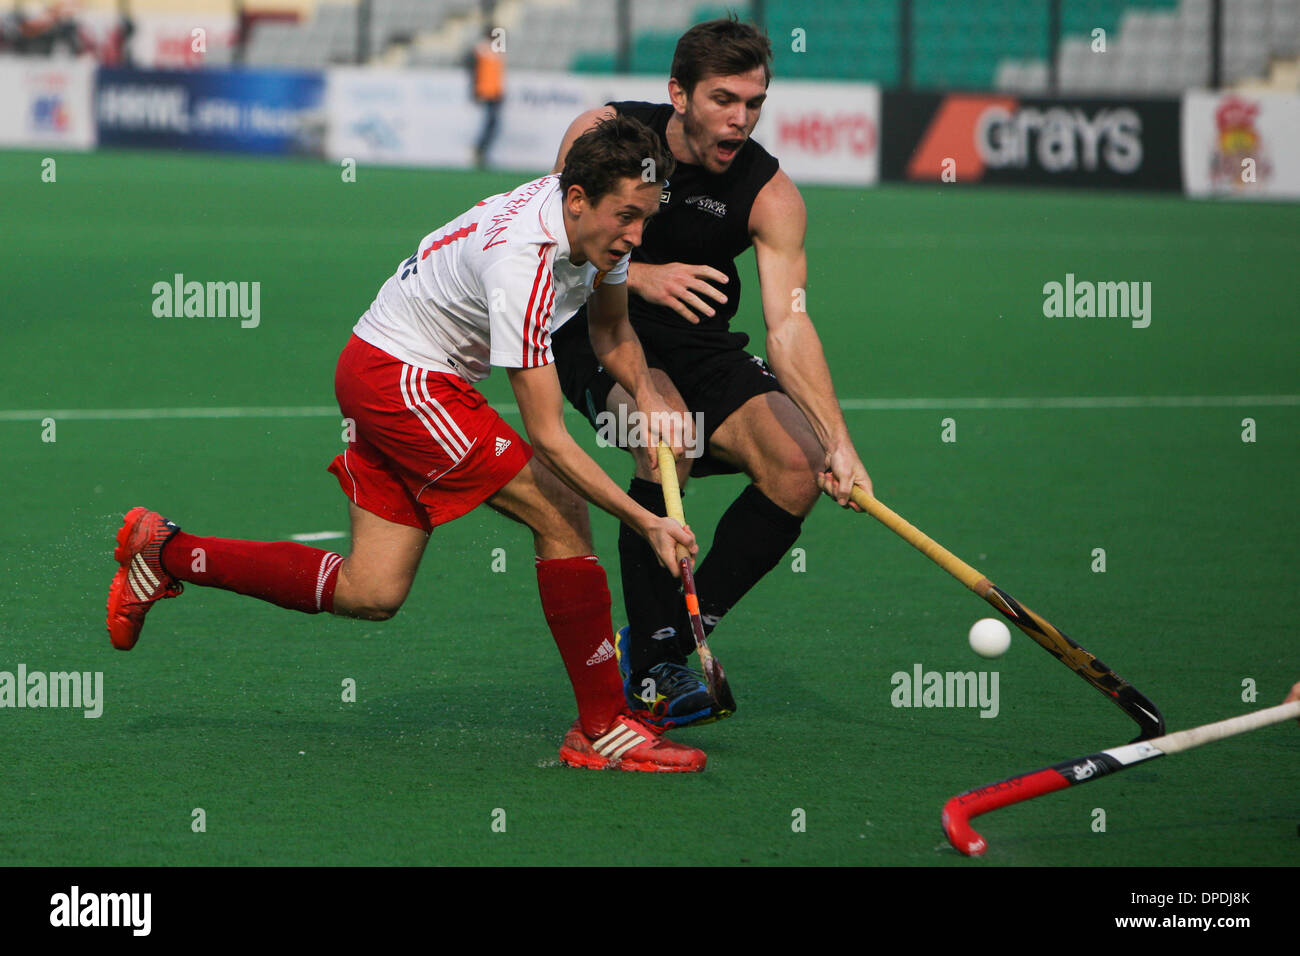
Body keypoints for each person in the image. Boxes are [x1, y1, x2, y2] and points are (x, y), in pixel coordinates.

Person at [106, 116, 709, 773]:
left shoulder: (598, 230)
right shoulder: (523, 265)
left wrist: (648, 401)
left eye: (645, 219)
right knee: (561, 507)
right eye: (626, 217)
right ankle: (600, 726)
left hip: (387, 367)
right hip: (404, 379)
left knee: (372, 590)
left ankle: (165, 552)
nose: (635, 237)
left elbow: (611, 328)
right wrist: (647, 520)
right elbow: (549, 438)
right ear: (576, 200)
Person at [549, 17, 871, 728]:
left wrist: (840, 441)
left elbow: (788, 325)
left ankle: (680, 630)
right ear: (679, 95)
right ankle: (659, 662)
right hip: (597, 329)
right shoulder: (602, 135)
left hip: (702, 346)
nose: (741, 118)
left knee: (798, 463)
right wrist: (643, 275)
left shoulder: (770, 192)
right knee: (667, 438)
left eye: (754, 103)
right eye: (724, 99)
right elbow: (550, 242)